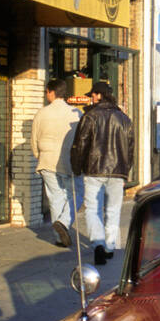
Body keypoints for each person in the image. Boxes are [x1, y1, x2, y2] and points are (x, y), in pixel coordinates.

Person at [70, 80, 134, 265]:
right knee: (113, 210)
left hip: (94, 169)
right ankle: (110, 246)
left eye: (92, 95)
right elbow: (130, 148)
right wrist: (126, 170)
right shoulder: (124, 118)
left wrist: (76, 166)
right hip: (117, 171)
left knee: (93, 209)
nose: (91, 98)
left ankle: (98, 243)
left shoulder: (90, 117)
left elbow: (80, 144)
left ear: (99, 95)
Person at [30, 79, 80, 247]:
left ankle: (60, 236)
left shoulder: (41, 113)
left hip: (46, 160)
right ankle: (64, 223)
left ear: (51, 92)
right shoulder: (76, 113)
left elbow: (34, 140)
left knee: (55, 198)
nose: (46, 95)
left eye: (46, 92)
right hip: (67, 161)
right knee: (76, 194)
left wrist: (39, 156)